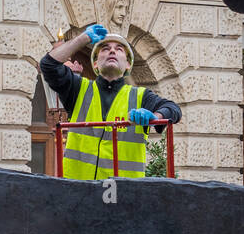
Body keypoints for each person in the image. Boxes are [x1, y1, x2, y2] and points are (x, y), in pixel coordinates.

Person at [40, 23, 181, 180]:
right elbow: (48, 65)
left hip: (123, 194)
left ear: (128, 65)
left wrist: (156, 117)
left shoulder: (141, 97)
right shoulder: (78, 89)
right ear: (95, 64)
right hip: (78, 192)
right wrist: (82, 39)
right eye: (105, 49)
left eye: (119, 49)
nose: (112, 50)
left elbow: (173, 109)